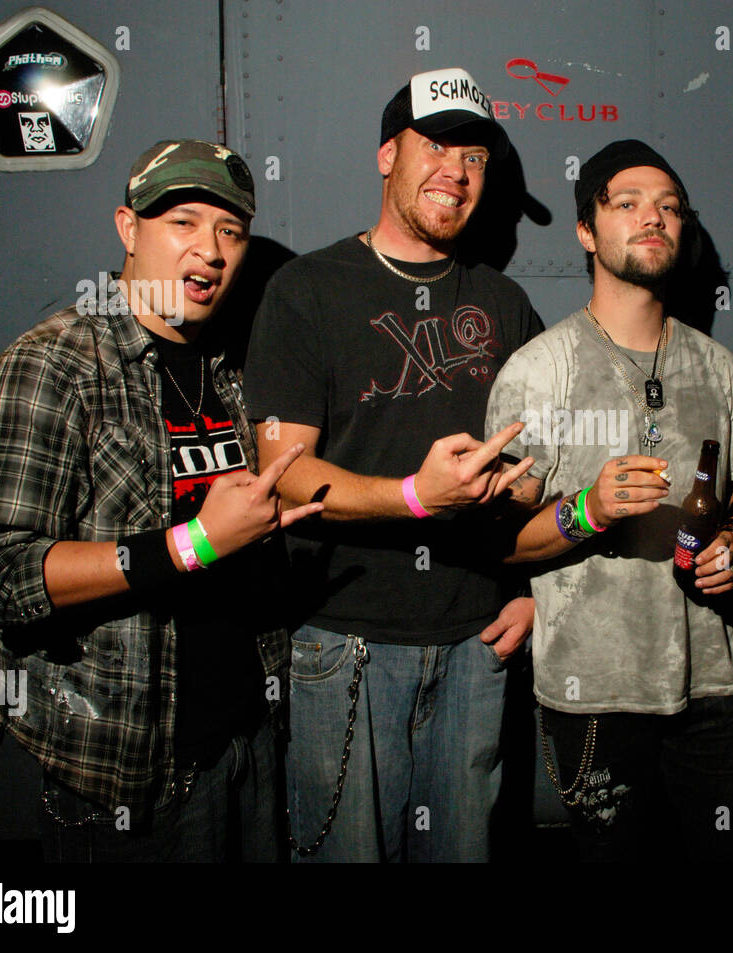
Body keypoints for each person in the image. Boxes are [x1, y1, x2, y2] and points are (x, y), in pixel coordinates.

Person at [0, 139, 321, 862]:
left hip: (248, 748)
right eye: (183, 221)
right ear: (128, 228)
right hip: (129, 772)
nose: (211, 250)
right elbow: (1, 571)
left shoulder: (233, 373)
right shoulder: (51, 365)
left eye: (230, 231)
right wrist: (196, 542)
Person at [242, 67, 542, 863]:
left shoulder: (505, 303)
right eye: (436, 144)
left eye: (476, 156)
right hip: (344, 643)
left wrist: (535, 589)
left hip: (479, 642)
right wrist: (415, 496)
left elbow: (542, 470)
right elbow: (285, 474)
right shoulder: (306, 290)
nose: (457, 169)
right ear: (387, 154)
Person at [484, 139, 733, 861]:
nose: (655, 218)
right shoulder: (538, 371)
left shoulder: (717, 365)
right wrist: (590, 508)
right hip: (595, 696)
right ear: (587, 229)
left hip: (717, 686)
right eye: (630, 203)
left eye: (670, 207)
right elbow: (502, 540)